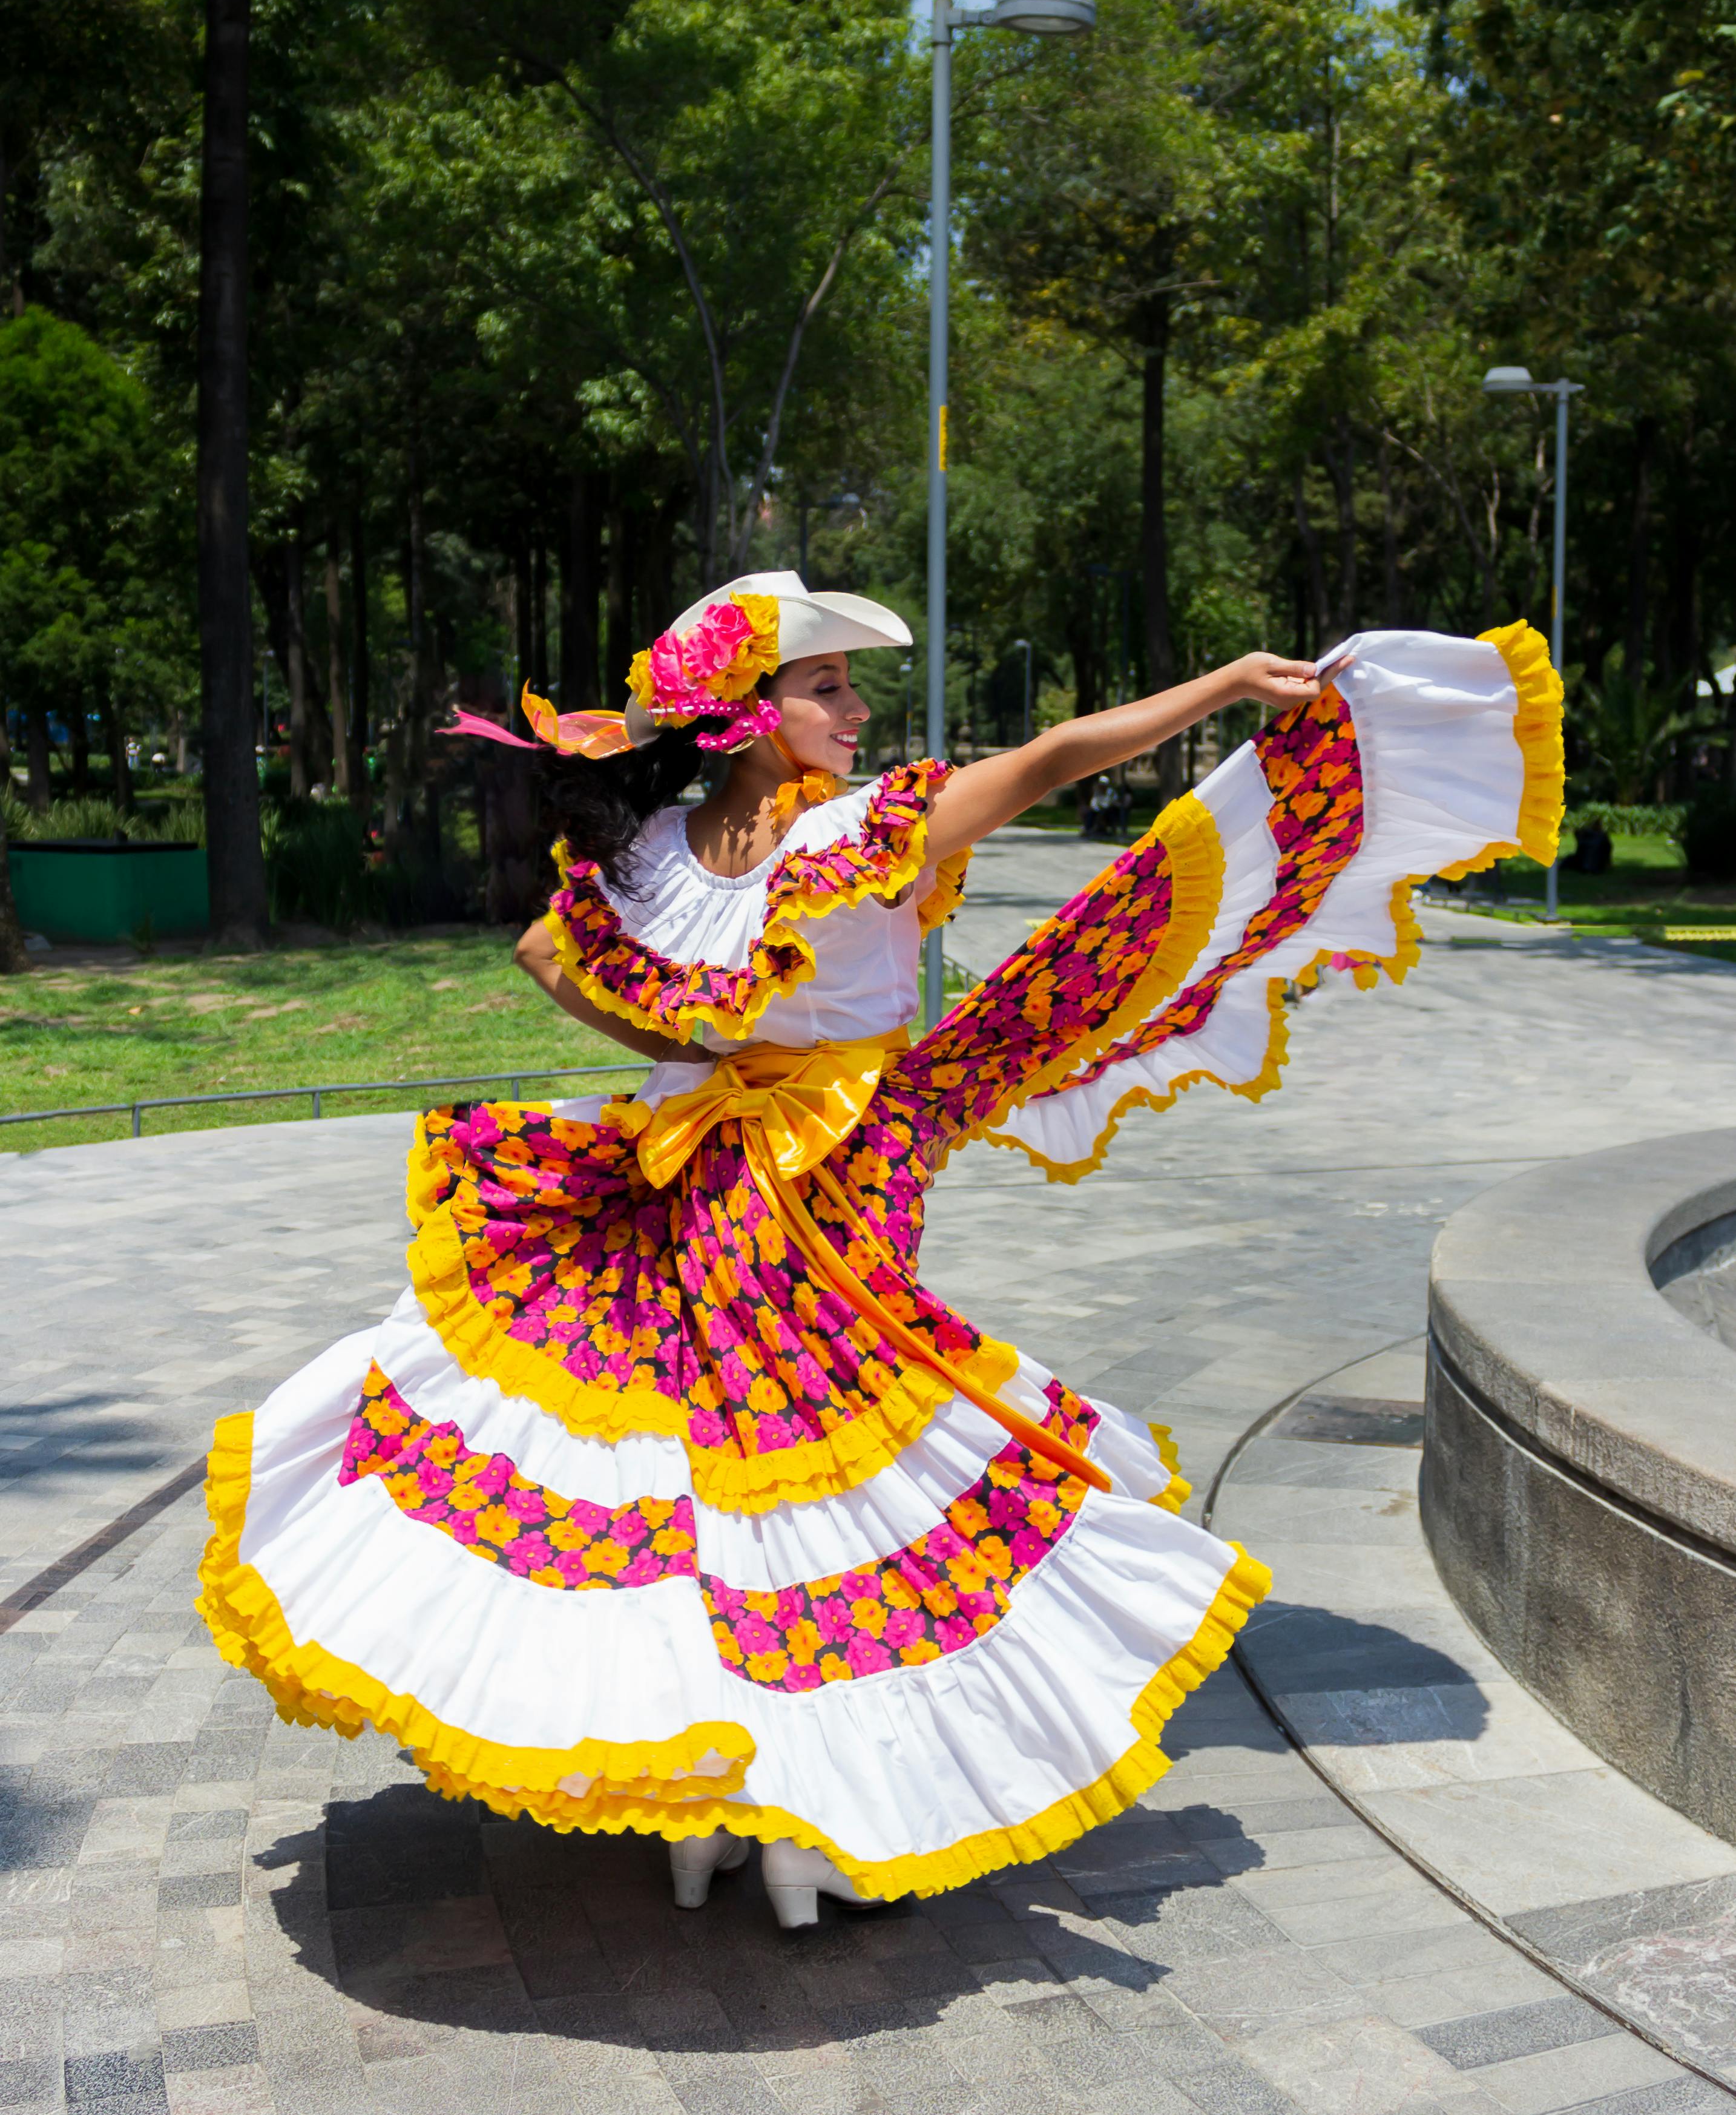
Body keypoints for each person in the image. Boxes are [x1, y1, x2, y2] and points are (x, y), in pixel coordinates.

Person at [199, 571, 1562, 1930]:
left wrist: (697, 1051)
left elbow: (550, 956)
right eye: (827, 686)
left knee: (713, 1463)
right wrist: (1217, 691)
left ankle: (719, 1812)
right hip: (841, 1167)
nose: (858, 711)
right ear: (747, 714)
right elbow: (1047, 758)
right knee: (811, 1469)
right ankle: (809, 1815)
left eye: (852, 687)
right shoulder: (854, 831)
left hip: (715, 1167)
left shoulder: (656, 850)